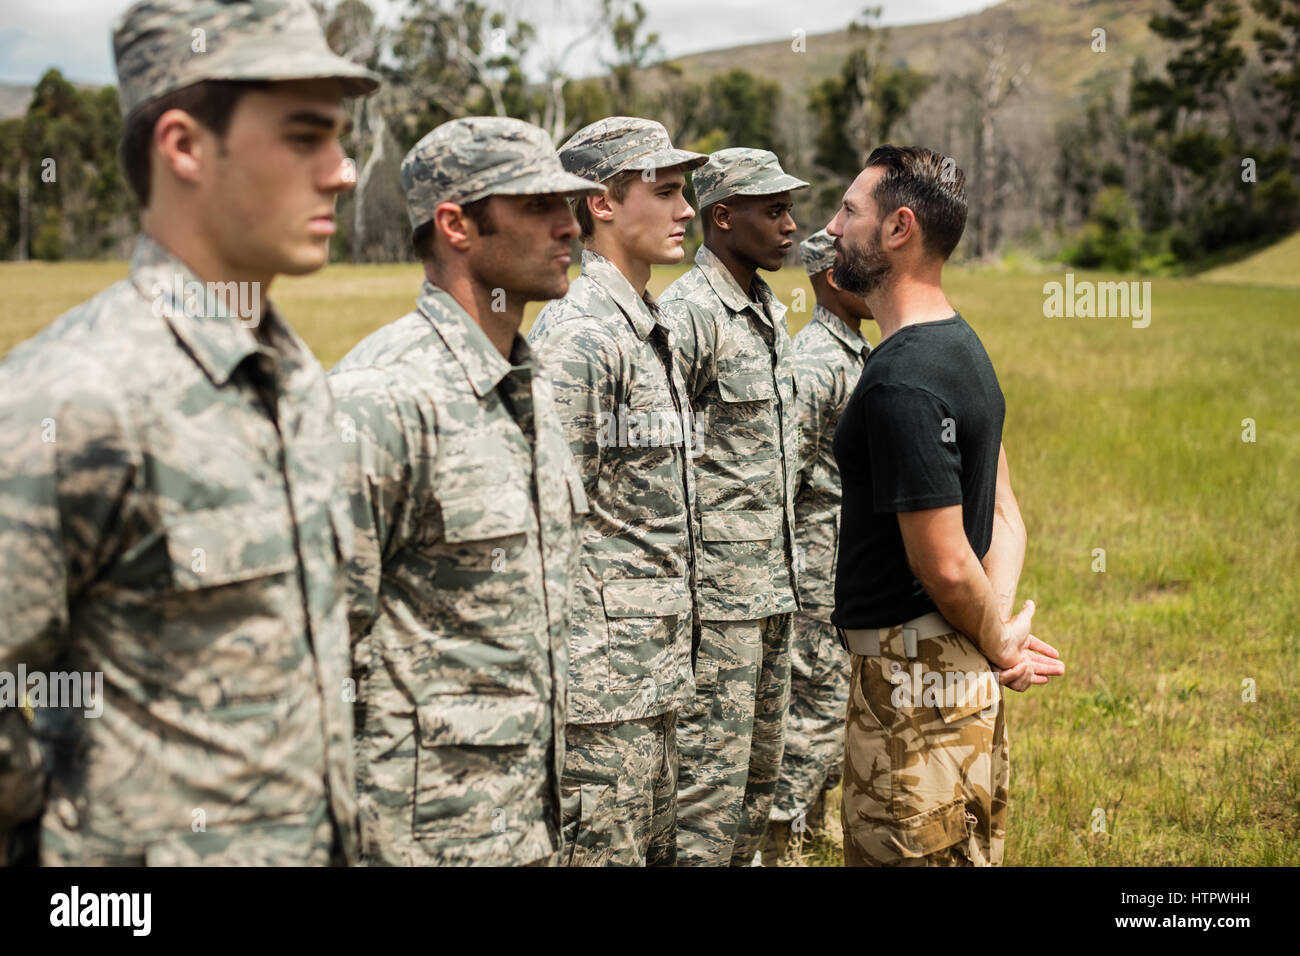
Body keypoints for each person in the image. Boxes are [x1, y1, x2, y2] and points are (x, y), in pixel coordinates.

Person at [0, 0, 378, 866]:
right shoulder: (74, 398)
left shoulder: (295, 383)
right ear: (183, 147)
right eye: (304, 137)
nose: (343, 171)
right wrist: (62, 844)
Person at [329, 116, 600, 866]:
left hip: (528, 823)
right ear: (455, 225)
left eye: (570, 204)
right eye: (538, 205)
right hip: (417, 837)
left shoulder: (531, 384)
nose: (568, 226)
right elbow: (315, 651)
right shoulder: (379, 398)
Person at [826, 145, 1064, 867]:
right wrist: (1001, 636)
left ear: (899, 228)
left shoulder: (902, 379)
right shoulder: (962, 347)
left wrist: (999, 643)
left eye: (847, 211)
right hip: (956, 673)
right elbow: (1005, 518)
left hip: (911, 692)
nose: (832, 228)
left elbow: (947, 561)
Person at [526, 117, 706, 866]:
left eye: (685, 193)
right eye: (663, 192)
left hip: (652, 680)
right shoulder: (582, 337)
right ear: (601, 202)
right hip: (600, 695)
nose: (685, 210)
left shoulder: (644, 326)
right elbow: (545, 525)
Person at [659, 147, 809, 866]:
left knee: (756, 794)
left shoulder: (767, 312)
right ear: (723, 218)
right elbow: (662, 463)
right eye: (773, 211)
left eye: (789, 209)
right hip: (716, 610)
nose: (790, 226)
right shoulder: (688, 317)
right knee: (704, 807)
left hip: (774, 593)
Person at [764, 228, 871, 866]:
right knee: (815, 709)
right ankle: (781, 839)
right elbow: (785, 472)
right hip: (817, 568)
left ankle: (815, 820)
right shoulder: (813, 363)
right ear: (833, 278)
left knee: (841, 702)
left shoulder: (855, 351)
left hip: (847, 562)